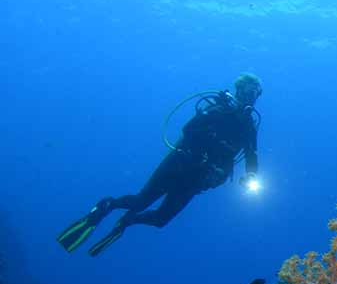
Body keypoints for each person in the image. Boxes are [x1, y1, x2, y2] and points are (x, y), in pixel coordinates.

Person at [57, 73, 263, 256]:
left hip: (197, 181)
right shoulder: (218, 110)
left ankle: (126, 222)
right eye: (248, 92)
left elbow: (251, 155)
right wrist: (206, 152)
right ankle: (107, 205)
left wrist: (251, 175)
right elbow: (188, 129)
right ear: (238, 91)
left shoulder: (249, 127)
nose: (251, 97)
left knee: (161, 220)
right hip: (177, 166)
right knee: (140, 202)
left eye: (255, 94)